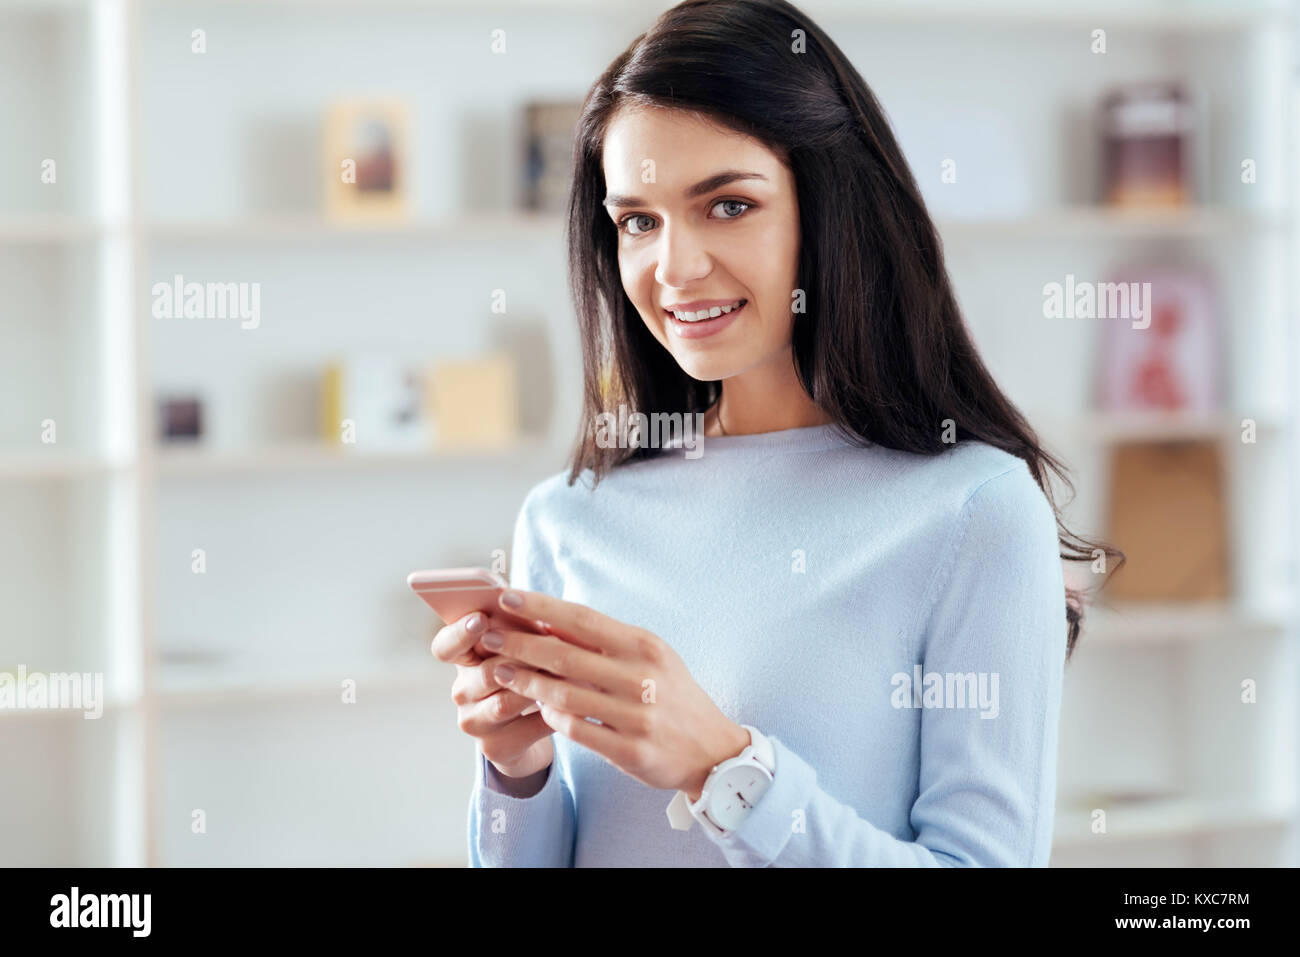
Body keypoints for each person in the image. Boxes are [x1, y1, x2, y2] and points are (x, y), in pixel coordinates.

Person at [432, 0, 1123, 867]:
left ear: (831, 207)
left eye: (726, 205)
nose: (674, 266)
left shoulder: (973, 510)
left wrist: (725, 770)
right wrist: (516, 766)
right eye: (638, 220)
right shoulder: (566, 517)